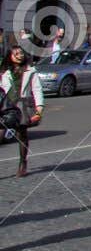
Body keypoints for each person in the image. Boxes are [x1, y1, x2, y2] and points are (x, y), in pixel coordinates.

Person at [1, 47, 43, 177]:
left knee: (22, 135)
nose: (20, 55)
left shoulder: (31, 70)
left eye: (21, 53)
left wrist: (39, 108)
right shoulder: (4, 71)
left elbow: (37, 89)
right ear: (10, 56)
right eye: (16, 54)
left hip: (22, 105)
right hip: (6, 105)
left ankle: (22, 162)